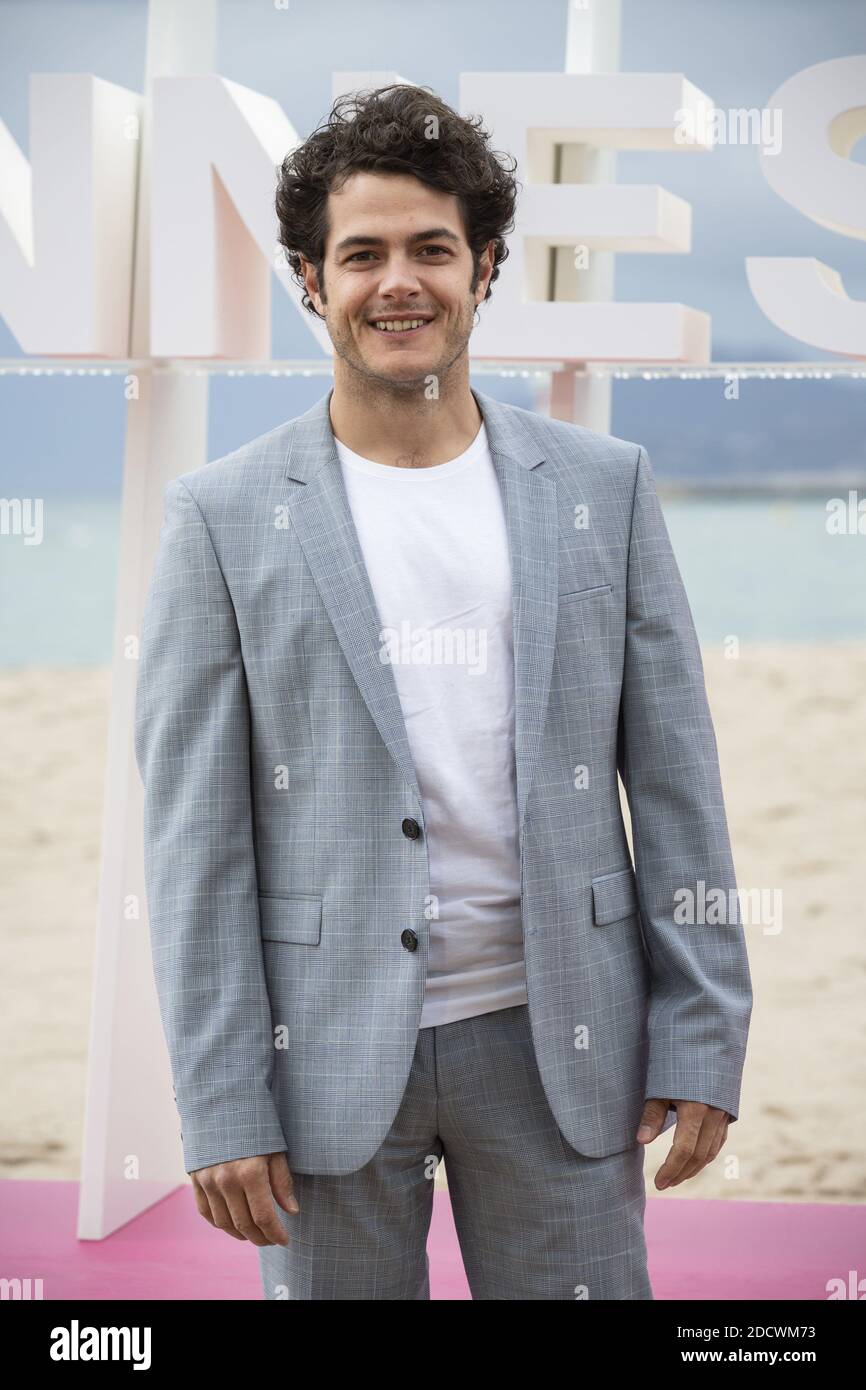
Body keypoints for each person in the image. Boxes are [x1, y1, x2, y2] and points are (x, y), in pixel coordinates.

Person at [134, 84, 752, 1301]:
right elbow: (193, 842)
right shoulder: (220, 515)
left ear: (484, 270)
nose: (397, 282)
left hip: (557, 1041)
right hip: (314, 1058)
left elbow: (676, 777)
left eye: (432, 248)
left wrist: (700, 1025)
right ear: (310, 280)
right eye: (360, 254)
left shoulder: (601, 487)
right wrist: (218, 1097)